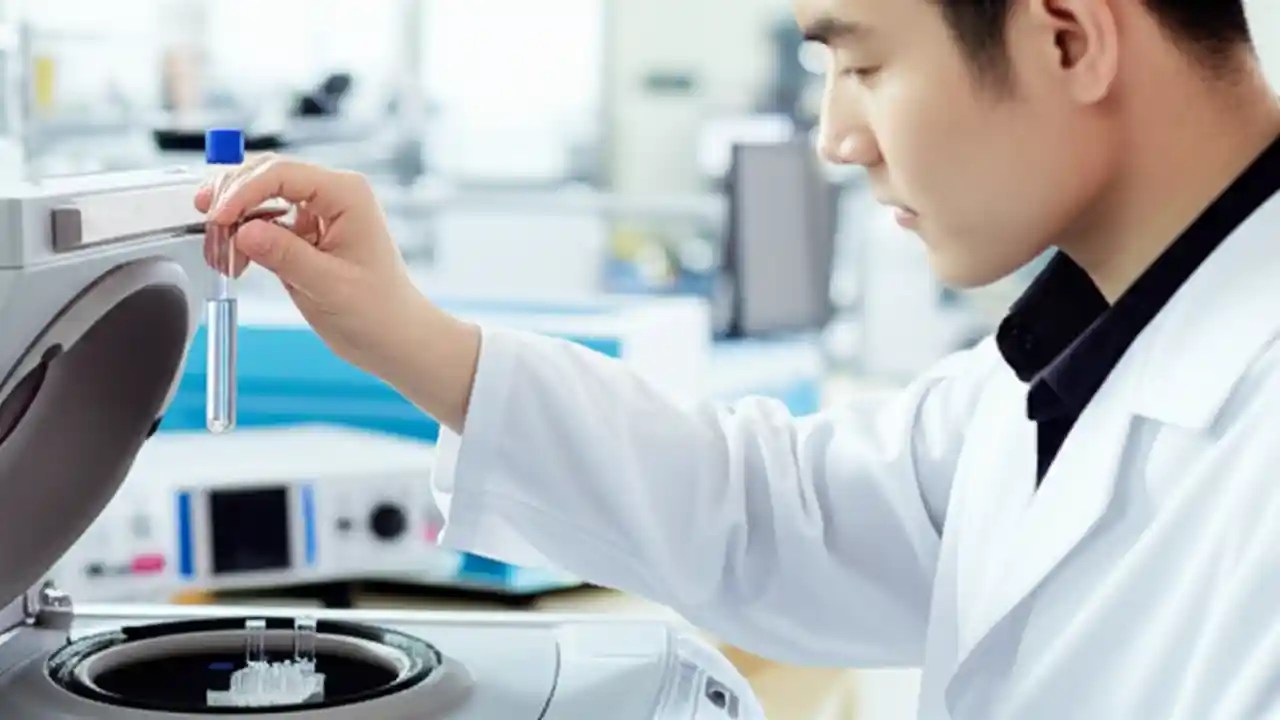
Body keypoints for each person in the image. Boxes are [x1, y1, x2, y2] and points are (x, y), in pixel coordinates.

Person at [196, 0, 1280, 717]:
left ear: (1065, 37)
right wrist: (411, 338)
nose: (834, 137)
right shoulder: (1076, 357)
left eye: (859, 63)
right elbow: (780, 514)